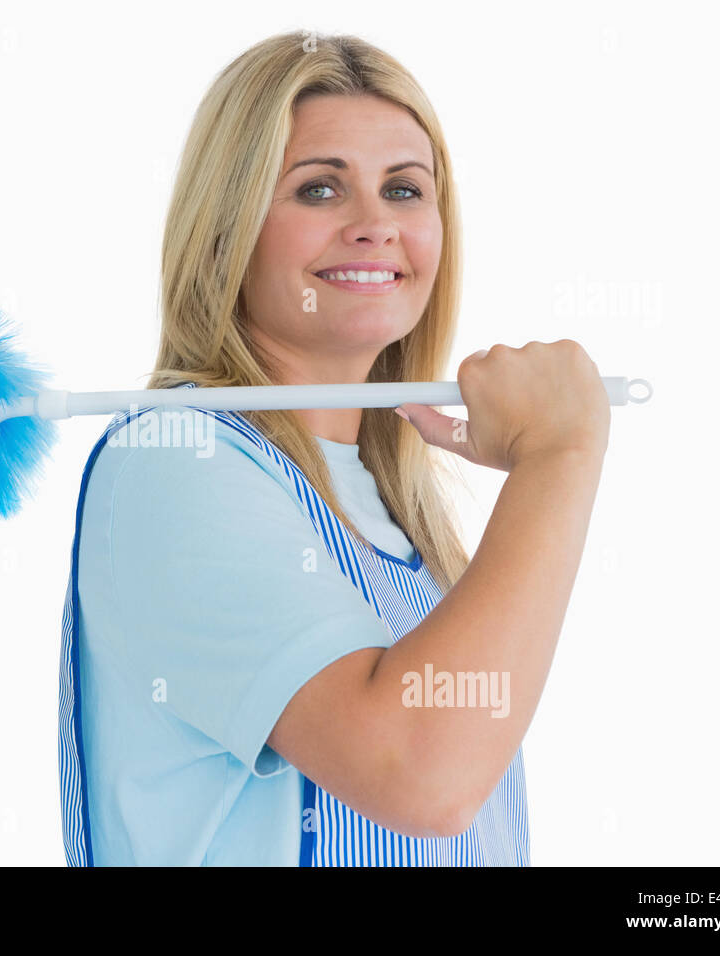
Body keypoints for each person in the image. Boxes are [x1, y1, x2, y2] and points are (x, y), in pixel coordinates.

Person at [58, 31, 610, 866]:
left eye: (403, 190)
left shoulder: (402, 521)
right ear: (225, 228)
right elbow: (421, 770)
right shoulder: (178, 467)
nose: (373, 227)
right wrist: (559, 458)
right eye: (319, 189)